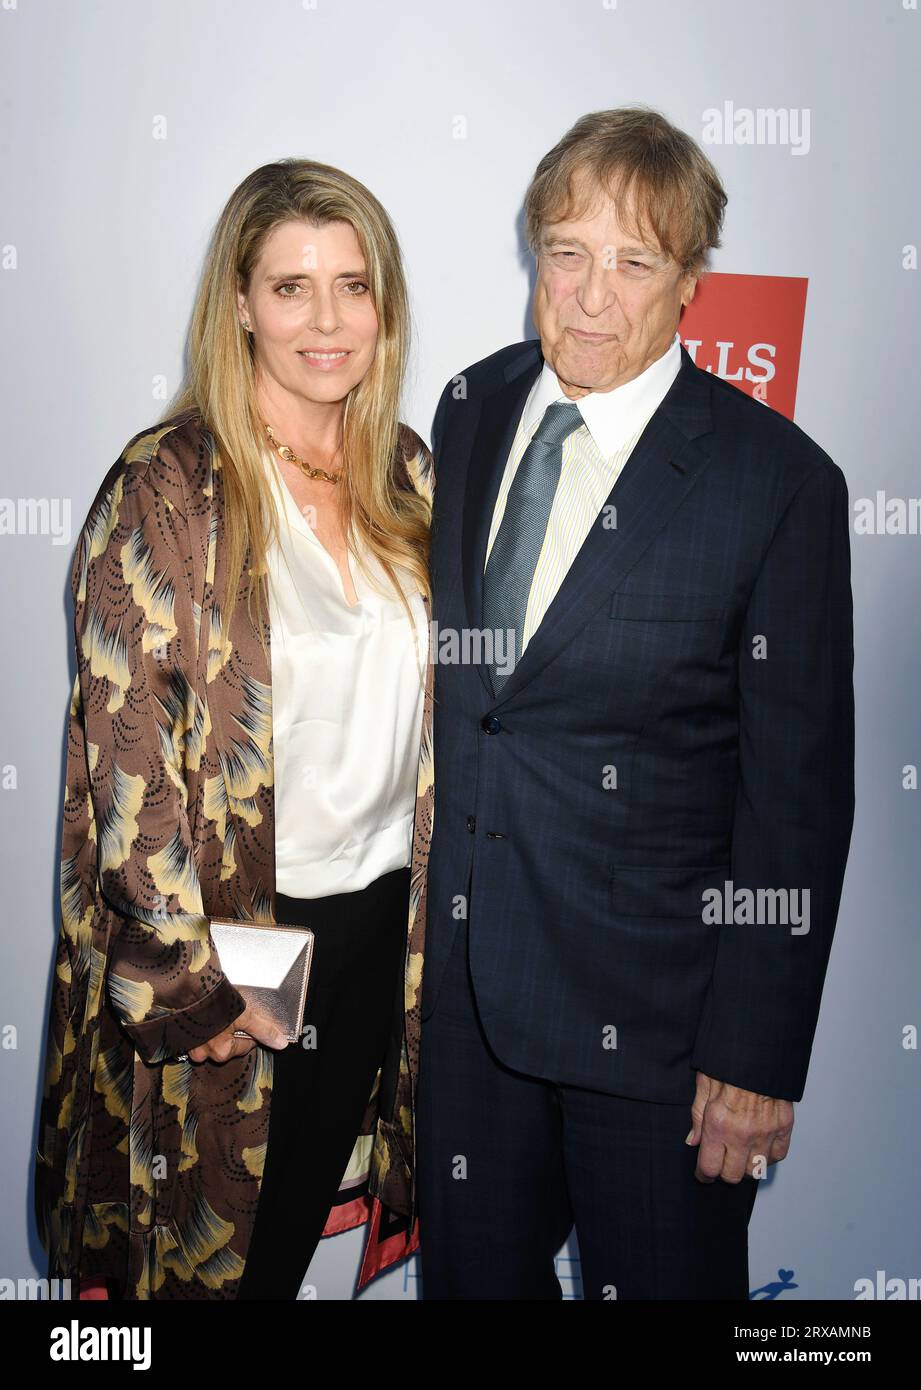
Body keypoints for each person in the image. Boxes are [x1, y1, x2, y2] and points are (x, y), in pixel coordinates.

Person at [416, 106, 854, 1300]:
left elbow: (798, 800)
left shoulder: (777, 486)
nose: (591, 296)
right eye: (567, 252)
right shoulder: (469, 409)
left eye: (634, 261)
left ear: (692, 284)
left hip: (658, 1042)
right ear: (533, 256)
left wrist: (756, 1057)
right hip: (465, 1022)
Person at [34, 158, 434, 1300]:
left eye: (353, 286)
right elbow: (127, 760)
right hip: (235, 951)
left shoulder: (408, 477)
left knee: (291, 1238)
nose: (326, 318)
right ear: (242, 303)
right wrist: (188, 981)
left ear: (385, 306)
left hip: (375, 940)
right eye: (291, 285)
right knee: (197, 1273)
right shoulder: (170, 486)